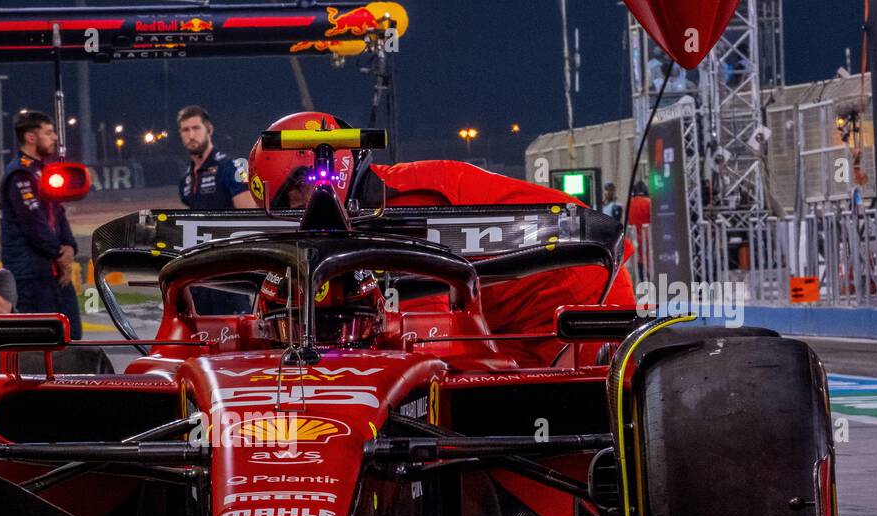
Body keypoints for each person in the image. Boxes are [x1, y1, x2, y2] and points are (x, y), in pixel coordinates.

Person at [246, 112, 638, 366]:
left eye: (294, 194)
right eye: (284, 204)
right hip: (519, 310)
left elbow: (428, 321)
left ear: (318, 172)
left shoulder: (403, 204)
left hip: (573, 292)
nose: (296, 208)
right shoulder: (380, 200)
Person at [0, 110, 81, 339]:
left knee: (72, 335)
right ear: (31, 137)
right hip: (31, 275)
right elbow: (33, 224)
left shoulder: (43, 171)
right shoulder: (20, 174)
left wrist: (71, 247)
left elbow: (59, 213)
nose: (55, 137)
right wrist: (59, 254)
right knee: (40, 342)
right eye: (49, 132)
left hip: (53, 271)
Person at [177, 105, 256, 210]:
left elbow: (249, 218)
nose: (191, 136)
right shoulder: (185, 178)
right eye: (185, 130)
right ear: (181, 134)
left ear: (209, 130)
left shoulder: (232, 167)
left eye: (196, 128)